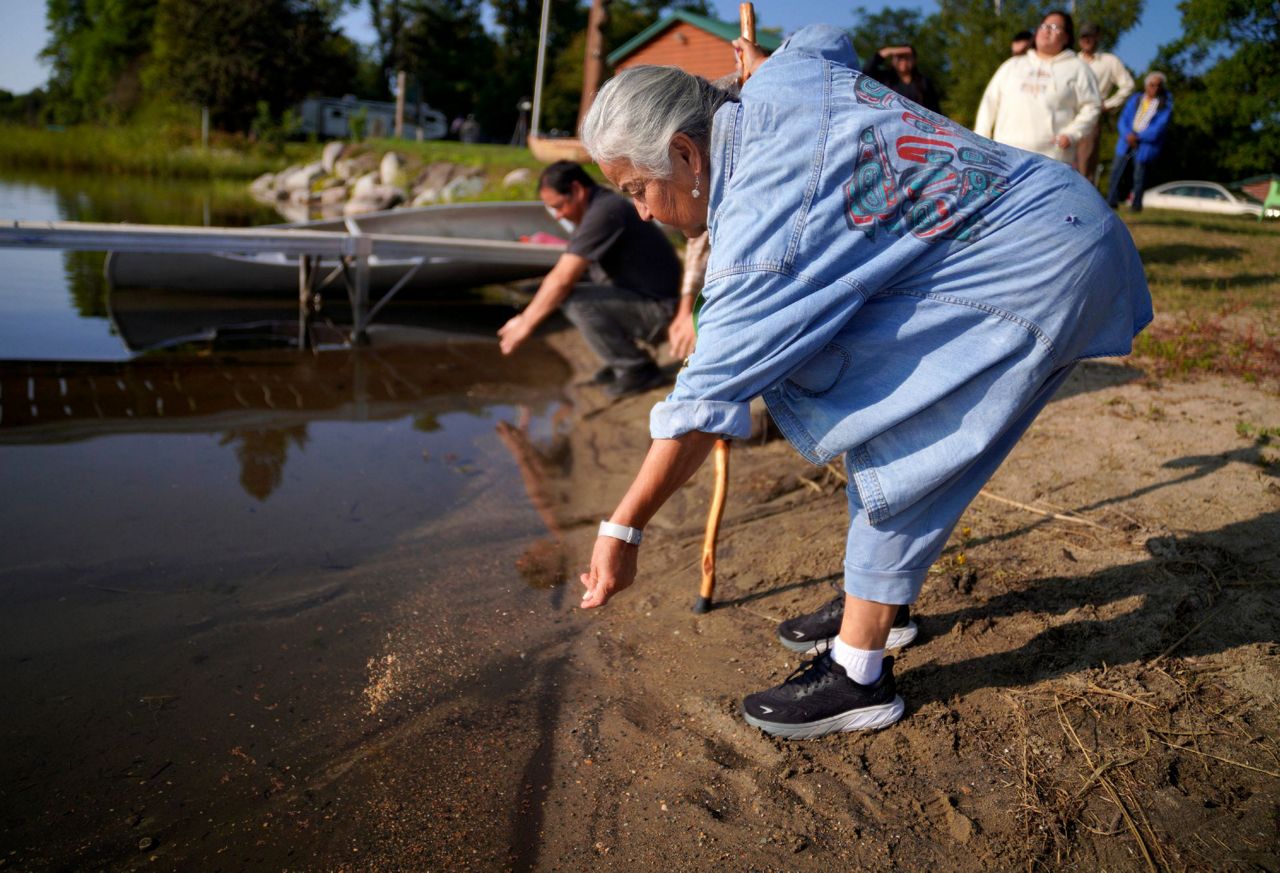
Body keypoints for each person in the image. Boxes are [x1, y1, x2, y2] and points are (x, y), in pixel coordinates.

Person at [576, 24, 1151, 739]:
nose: (641, 212)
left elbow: (700, 404)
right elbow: (824, 38)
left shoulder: (759, 237)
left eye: (637, 188)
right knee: (857, 382)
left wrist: (623, 526)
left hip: (1035, 263)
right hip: (1043, 211)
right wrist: (757, 68)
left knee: (907, 429)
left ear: (687, 153)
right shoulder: (781, 82)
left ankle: (859, 672)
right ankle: (878, 602)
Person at [498, 161, 683, 397]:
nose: (559, 215)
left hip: (662, 311)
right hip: (645, 298)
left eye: (559, 206)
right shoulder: (598, 208)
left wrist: (525, 323)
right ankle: (621, 357)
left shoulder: (605, 212)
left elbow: (563, 278)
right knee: (569, 291)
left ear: (577, 190)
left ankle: (636, 369)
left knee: (573, 300)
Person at [974, 10, 1101, 164]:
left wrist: (1072, 134)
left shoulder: (1078, 68)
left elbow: (1092, 106)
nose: (1047, 30)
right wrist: (980, 143)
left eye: (1054, 27)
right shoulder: (1012, 65)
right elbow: (989, 104)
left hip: (1051, 160)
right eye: (1044, 26)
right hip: (1004, 157)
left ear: (1067, 37)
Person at [1075, 22, 1135, 181]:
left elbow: (1128, 85)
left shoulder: (1109, 61)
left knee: (1085, 166)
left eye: (1090, 36)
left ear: (1097, 38)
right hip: (1066, 116)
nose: (1086, 40)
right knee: (1060, 162)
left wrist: (1107, 105)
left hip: (1090, 117)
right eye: (1083, 36)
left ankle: (1084, 196)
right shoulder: (1072, 60)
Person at [1108, 72, 1173, 212]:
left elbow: (1159, 128)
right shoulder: (1136, 99)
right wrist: (1128, 135)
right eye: (1152, 85)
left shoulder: (1164, 105)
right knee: (1116, 171)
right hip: (1126, 141)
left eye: (1158, 85)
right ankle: (1111, 201)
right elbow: (1123, 120)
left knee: (1139, 176)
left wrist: (1138, 137)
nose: (1155, 88)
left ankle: (1136, 205)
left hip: (1144, 145)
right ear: (1146, 86)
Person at [863, 44, 941, 114]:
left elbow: (935, 110)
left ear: (914, 60)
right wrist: (888, 51)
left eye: (907, 57)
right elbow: (867, 70)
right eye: (899, 57)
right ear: (893, 61)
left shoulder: (923, 82)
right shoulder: (885, 78)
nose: (903, 60)